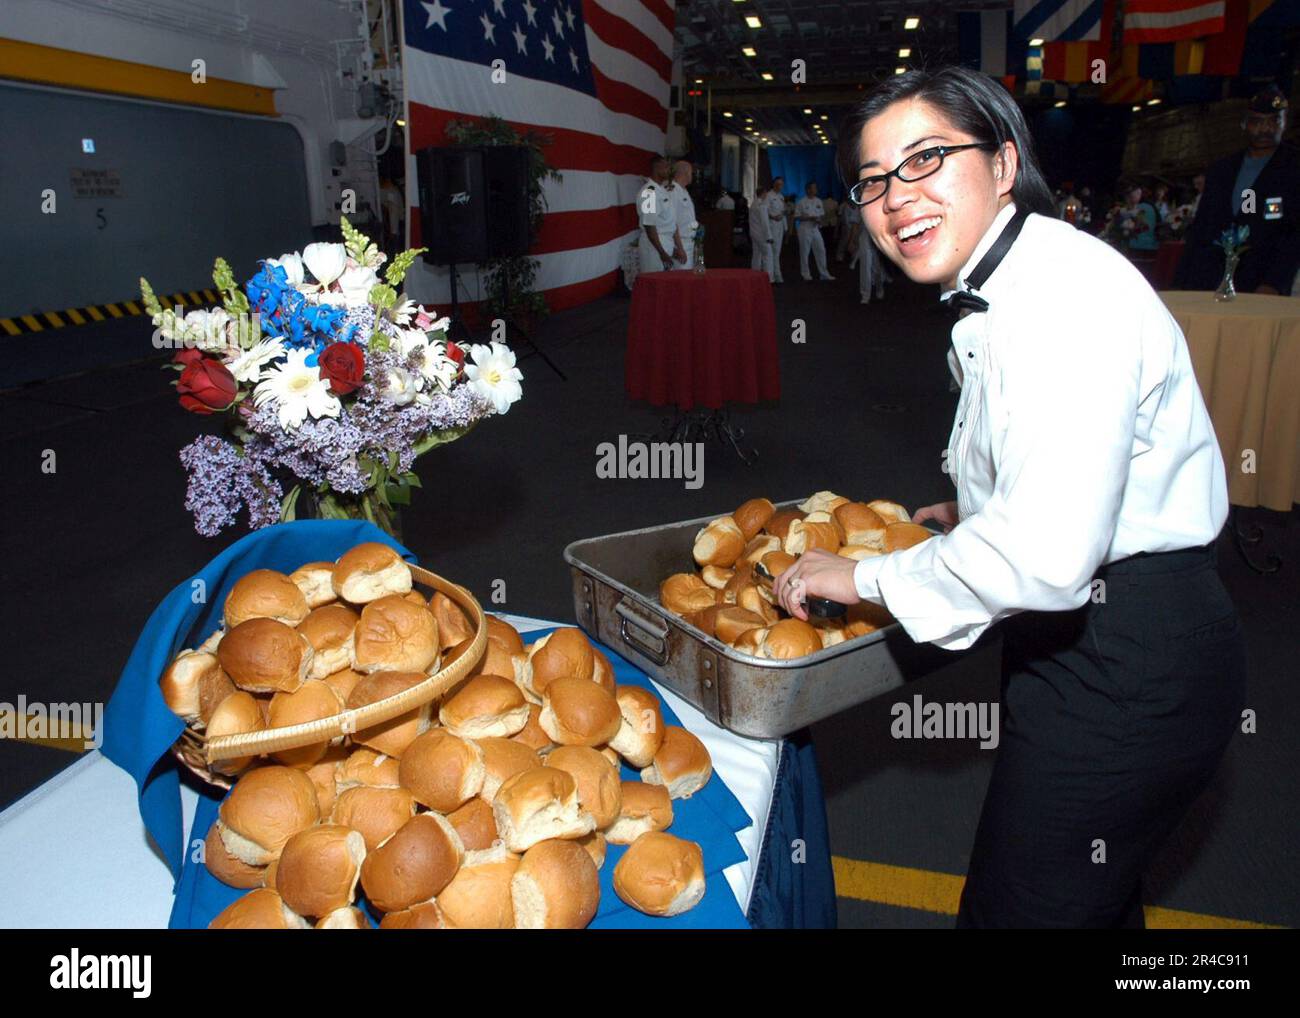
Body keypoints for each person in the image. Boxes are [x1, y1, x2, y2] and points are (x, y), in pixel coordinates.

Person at [777, 65, 1244, 929]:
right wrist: (972, 511)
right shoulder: (1010, 282)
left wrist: (861, 579)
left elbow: (1047, 556)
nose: (894, 198)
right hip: (1086, 642)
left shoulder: (1060, 299)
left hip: (1130, 660)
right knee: (1088, 900)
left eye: (925, 160)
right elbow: (1068, 469)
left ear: (1002, 162)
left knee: (1019, 911)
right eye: (874, 180)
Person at [1175, 85, 1300, 294]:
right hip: (1209, 279)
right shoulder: (1221, 169)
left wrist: (1275, 282)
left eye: (1274, 121)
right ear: (1244, 124)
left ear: (1285, 123)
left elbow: (1294, 234)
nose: (1265, 129)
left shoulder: (1294, 168)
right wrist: (1180, 281)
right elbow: (1201, 228)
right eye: (1257, 122)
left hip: (1261, 281)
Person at [636, 155, 683, 277]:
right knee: (654, 284)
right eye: (667, 167)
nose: (669, 170)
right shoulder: (649, 192)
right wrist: (662, 252)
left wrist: (672, 249)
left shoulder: (661, 190)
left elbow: (667, 221)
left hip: (665, 243)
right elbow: (649, 225)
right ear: (657, 169)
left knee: (665, 286)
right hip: (654, 248)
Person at [795, 181, 836, 281]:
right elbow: (797, 217)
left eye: (816, 188)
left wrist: (819, 219)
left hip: (815, 228)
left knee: (821, 250)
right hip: (805, 229)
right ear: (808, 189)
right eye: (814, 188)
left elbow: (821, 214)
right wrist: (808, 218)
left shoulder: (818, 201)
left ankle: (824, 274)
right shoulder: (801, 202)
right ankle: (805, 274)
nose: (816, 190)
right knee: (805, 252)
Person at [672, 160, 698, 270]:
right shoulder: (672, 191)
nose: (692, 176)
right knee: (681, 280)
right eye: (692, 173)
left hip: (689, 242)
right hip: (680, 243)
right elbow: (672, 222)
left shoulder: (684, 191)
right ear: (685, 173)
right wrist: (679, 247)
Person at [748, 181, 775, 280]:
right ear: (763, 193)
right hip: (762, 235)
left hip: (754, 233)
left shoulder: (753, 205)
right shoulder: (762, 206)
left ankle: (754, 276)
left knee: (756, 256)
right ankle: (769, 279)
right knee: (768, 256)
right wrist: (769, 237)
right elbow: (765, 223)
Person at [766, 177, 788, 282]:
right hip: (772, 226)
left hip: (780, 226)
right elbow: (764, 211)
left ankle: (776, 274)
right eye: (778, 184)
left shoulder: (781, 196)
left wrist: (785, 227)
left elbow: (783, 211)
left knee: (777, 251)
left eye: (781, 184)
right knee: (773, 251)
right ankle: (774, 275)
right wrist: (772, 217)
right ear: (774, 184)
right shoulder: (768, 196)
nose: (780, 186)